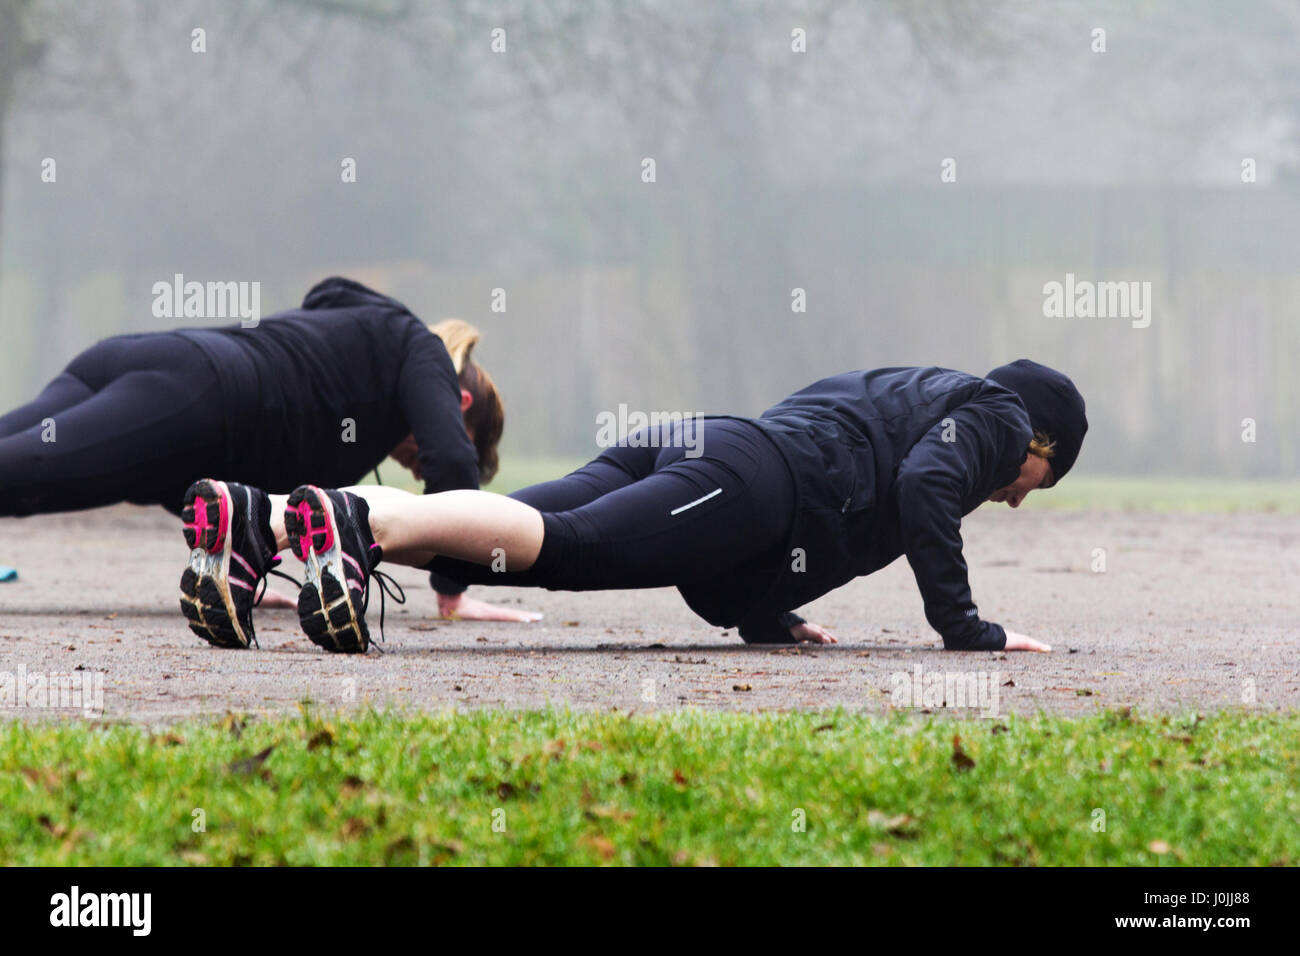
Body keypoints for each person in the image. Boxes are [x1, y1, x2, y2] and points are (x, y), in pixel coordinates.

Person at [182, 360, 1087, 653]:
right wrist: (968, 628)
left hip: (706, 445)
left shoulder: (914, 386)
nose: (1016, 499)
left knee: (499, 529)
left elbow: (848, 466)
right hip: (745, 476)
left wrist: (768, 612)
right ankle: (356, 523)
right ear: (1044, 446)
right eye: (1041, 481)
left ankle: (263, 520)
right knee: (567, 547)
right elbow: (924, 484)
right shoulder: (1004, 418)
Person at [0, 276, 533, 646]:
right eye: (459, 436)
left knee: (20, 475)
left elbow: (234, 483)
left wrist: (245, 562)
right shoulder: (420, 349)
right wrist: (453, 592)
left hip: (138, 361)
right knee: (18, 477)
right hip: (191, 394)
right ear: (458, 403)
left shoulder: (365, 345)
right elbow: (452, 469)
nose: (416, 470)